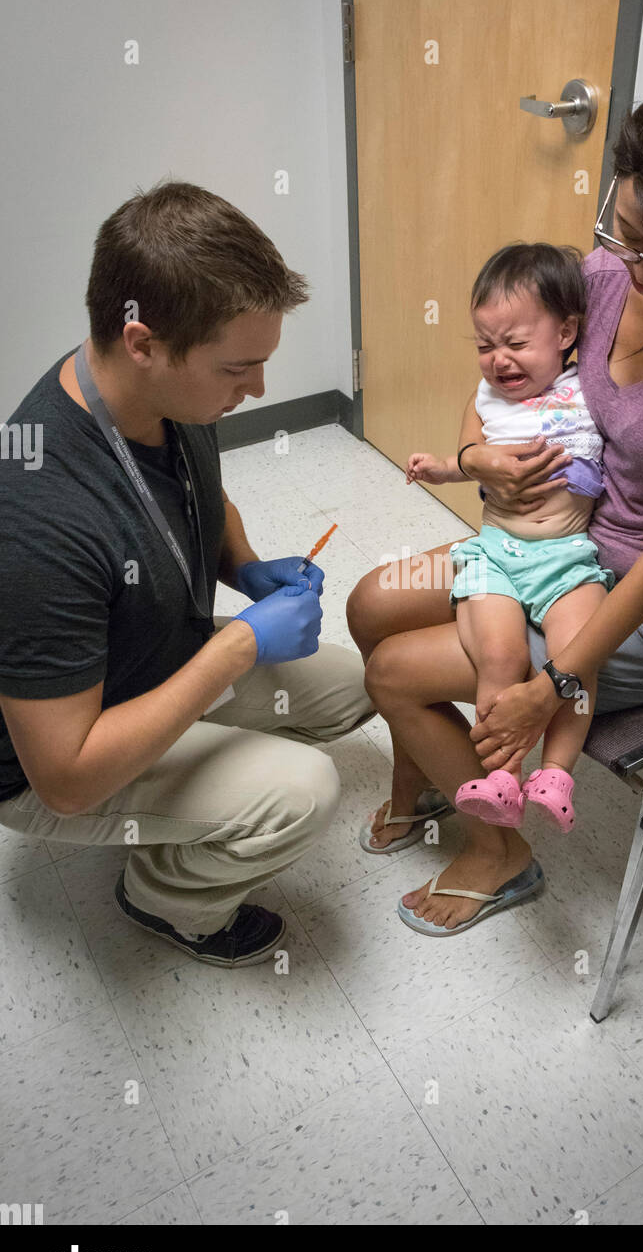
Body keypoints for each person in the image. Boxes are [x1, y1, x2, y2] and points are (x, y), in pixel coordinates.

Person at [348, 77, 643, 936]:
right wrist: (479, 458)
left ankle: (499, 856)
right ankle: (426, 790)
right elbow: (500, 376)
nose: (630, 268)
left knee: (392, 672)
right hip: (550, 542)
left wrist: (555, 684)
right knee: (372, 600)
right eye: (619, 231)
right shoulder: (604, 271)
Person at [0, 180, 373, 967]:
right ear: (143, 342)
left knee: (352, 686)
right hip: (56, 765)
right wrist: (238, 648)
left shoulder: (167, 400)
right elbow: (64, 778)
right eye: (240, 369)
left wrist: (245, 569)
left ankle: (185, 786)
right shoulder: (35, 519)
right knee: (303, 789)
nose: (259, 391)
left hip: (152, 664)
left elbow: (206, 495)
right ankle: (166, 901)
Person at [405, 242, 614, 834]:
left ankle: (557, 775)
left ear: (567, 332)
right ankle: (501, 777)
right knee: (501, 656)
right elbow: (463, 459)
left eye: (516, 343)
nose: (499, 360)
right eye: (484, 345)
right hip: (497, 553)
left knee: (577, 657)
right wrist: (444, 465)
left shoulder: (590, 387)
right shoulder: (485, 399)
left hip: (570, 558)